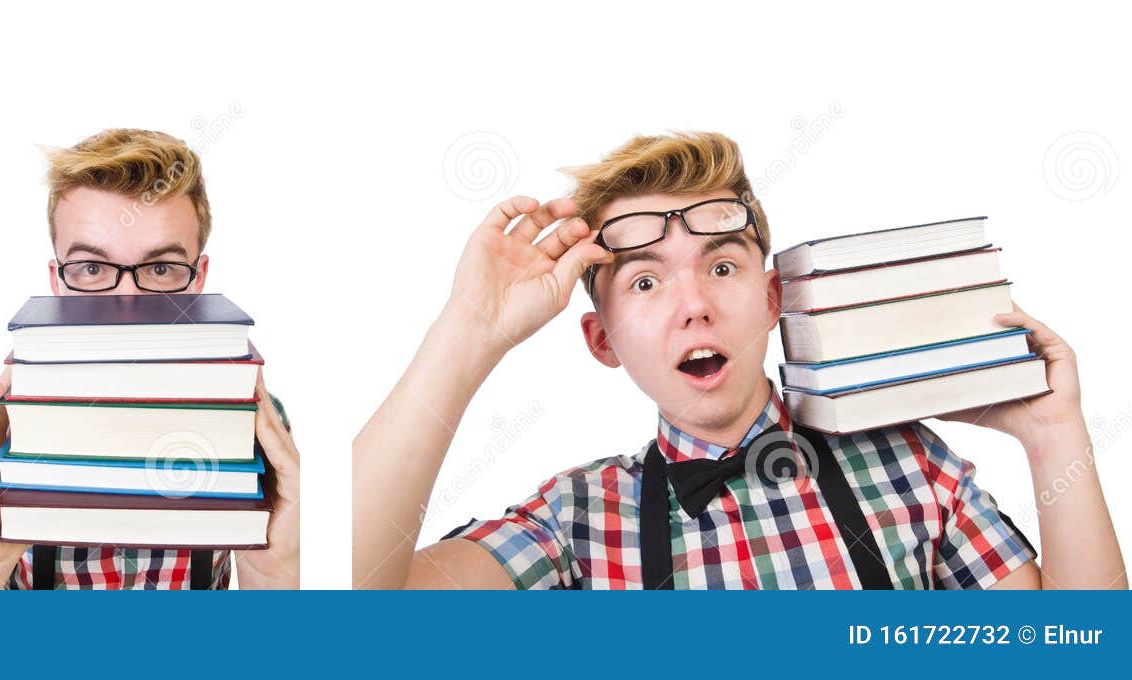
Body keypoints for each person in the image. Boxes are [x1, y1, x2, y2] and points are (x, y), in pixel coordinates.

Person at [354, 131, 1123, 589]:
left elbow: (1077, 655)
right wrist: (469, 329)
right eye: (647, 280)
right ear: (603, 341)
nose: (695, 304)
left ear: (772, 297)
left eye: (721, 267)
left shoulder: (911, 465)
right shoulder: (575, 522)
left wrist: (1056, 435)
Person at [0, 129, 301, 589]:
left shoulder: (254, 423)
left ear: (199, 280)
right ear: (57, 281)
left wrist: (277, 568)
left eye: (161, 269)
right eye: (91, 268)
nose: (126, 303)